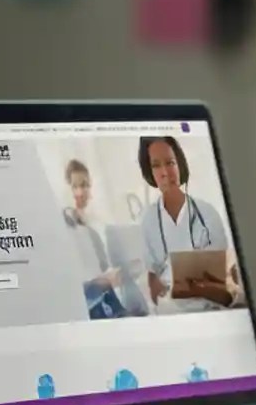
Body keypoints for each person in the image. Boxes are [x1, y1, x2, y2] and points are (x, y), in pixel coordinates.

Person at [137, 136, 243, 312]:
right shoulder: (148, 220)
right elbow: (152, 285)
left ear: (180, 164)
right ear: (149, 172)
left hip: (211, 310)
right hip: (170, 314)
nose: (165, 172)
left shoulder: (207, 213)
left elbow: (219, 279)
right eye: (156, 165)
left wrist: (170, 278)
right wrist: (191, 272)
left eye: (170, 163)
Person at [61, 159, 123, 319]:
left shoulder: (92, 231)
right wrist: (99, 284)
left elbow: (105, 269)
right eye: (75, 186)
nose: (80, 193)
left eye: (85, 185)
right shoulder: (62, 232)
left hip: (107, 306)